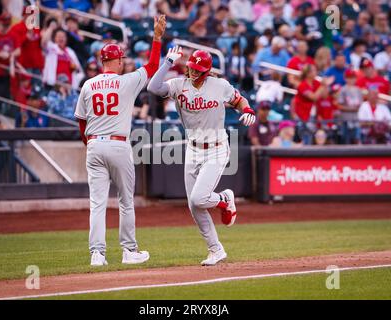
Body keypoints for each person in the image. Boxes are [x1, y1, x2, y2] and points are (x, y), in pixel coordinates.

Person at [148, 47, 256, 266]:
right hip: (193, 148)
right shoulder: (179, 84)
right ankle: (215, 250)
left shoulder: (220, 85)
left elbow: (239, 100)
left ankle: (224, 199)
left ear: (206, 71)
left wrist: (247, 111)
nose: (193, 72)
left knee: (199, 198)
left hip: (216, 147)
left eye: (198, 70)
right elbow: (153, 87)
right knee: (194, 205)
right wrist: (168, 61)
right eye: (191, 68)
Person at [74, 15, 166, 267]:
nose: (123, 61)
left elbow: (81, 122)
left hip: (94, 145)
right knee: (126, 201)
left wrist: (90, 144)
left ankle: (97, 254)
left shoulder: (88, 85)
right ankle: (129, 250)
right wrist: (157, 38)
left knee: (97, 204)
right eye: (121, 58)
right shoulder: (127, 81)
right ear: (114, 60)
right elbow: (152, 65)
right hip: (117, 144)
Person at [337, 69, 363, 144]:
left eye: (353, 77)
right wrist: (351, 109)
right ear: (345, 78)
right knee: (345, 141)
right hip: (345, 119)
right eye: (349, 77)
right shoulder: (343, 90)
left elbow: (360, 105)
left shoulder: (358, 90)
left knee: (356, 140)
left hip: (355, 119)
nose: (351, 79)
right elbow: (339, 106)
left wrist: (355, 109)